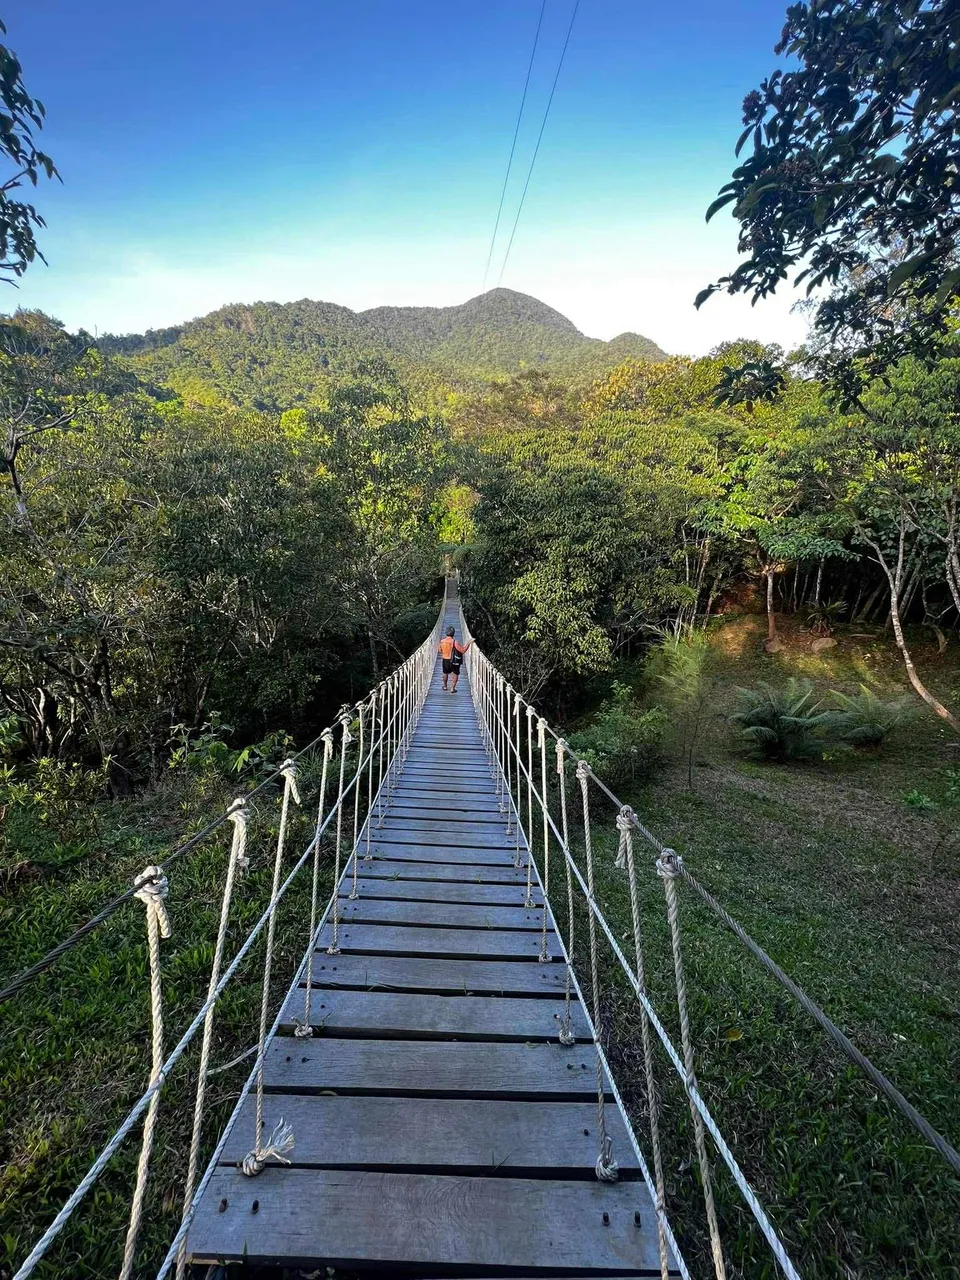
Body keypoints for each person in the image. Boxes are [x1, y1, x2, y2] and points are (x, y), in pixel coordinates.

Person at [438, 626, 471, 693]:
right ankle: (452, 688)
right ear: (453, 633)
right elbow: (463, 650)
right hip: (453, 660)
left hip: (445, 660)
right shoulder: (454, 642)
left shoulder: (442, 641)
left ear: (446, 633)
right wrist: (468, 643)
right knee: (455, 673)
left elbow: (439, 651)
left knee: (445, 673)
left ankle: (445, 686)